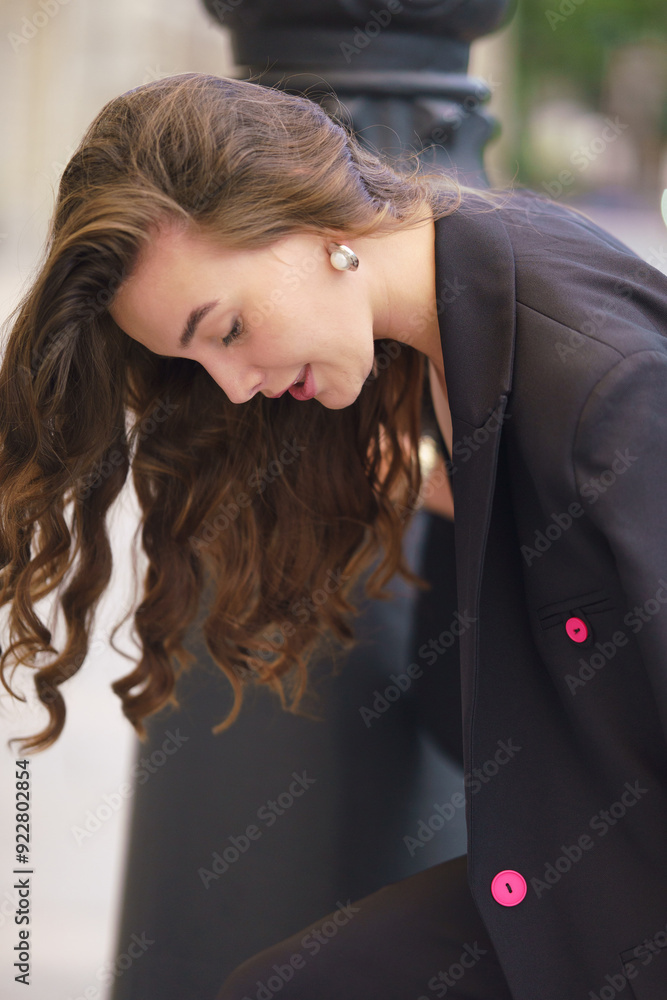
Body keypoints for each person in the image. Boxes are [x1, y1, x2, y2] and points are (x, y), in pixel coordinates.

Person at [1, 73, 667, 1000]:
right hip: (564, 880)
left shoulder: (594, 383)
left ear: (316, 226)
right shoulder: (467, 313)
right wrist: (447, 491)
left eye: (226, 329)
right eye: (192, 360)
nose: (231, 386)